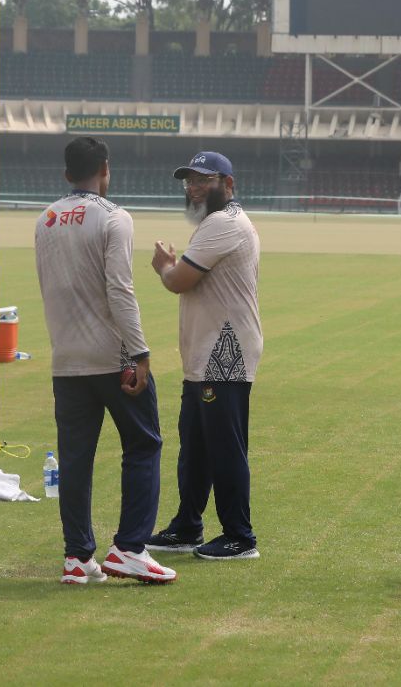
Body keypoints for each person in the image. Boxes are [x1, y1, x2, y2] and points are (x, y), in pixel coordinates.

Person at [34, 137, 174, 585]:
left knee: (76, 459)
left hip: (67, 357)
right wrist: (140, 352)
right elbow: (120, 289)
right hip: (113, 357)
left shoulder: (46, 218)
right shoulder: (115, 217)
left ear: (66, 173)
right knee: (143, 445)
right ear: (105, 169)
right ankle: (130, 548)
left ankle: (78, 557)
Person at [148, 151, 263, 561]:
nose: (195, 188)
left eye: (204, 180)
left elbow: (179, 280)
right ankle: (187, 526)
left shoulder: (223, 223)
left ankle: (239, 536)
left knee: (224, 447)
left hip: (224, 354)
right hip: (208, 353)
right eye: (190, 182)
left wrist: (164, 264)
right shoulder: (219, 223)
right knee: (195, 445)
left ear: (228, 184)